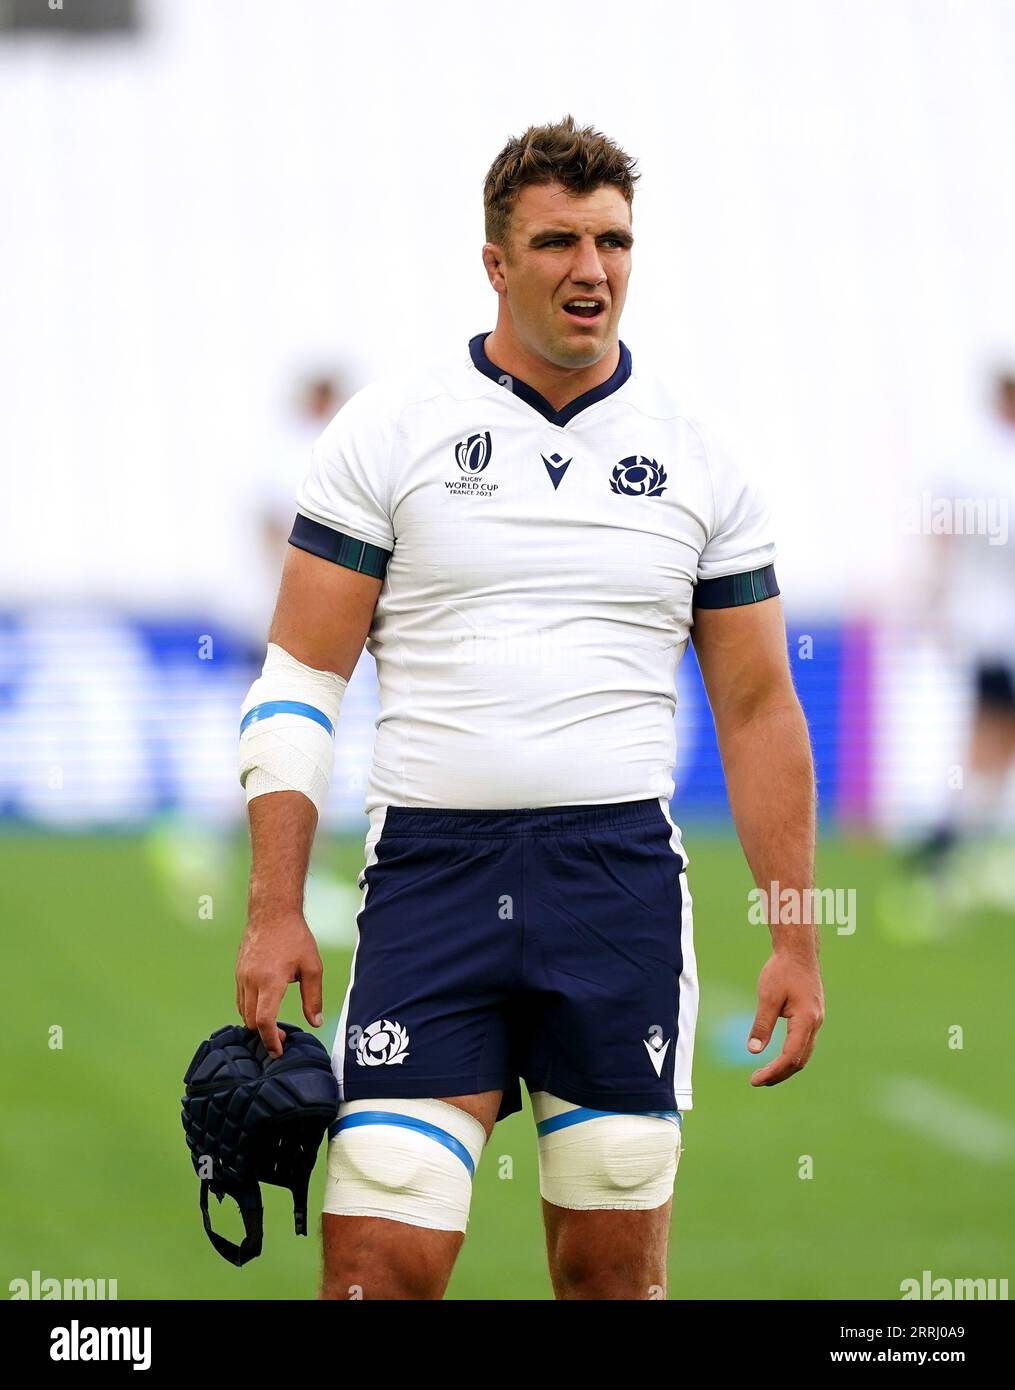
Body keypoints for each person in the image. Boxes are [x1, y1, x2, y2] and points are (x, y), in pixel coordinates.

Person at [235, 115, 823, 1301]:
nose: (591, 268)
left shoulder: (701, 454)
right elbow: (299, 681)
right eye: (557, 241)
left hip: (614, 881)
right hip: (431, 876)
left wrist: (796, 934)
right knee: (379, 1253)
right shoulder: (391, 429)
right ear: (497, 262)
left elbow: (758, 707)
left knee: (611, 1269)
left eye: (612, 240)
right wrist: (271, 909)